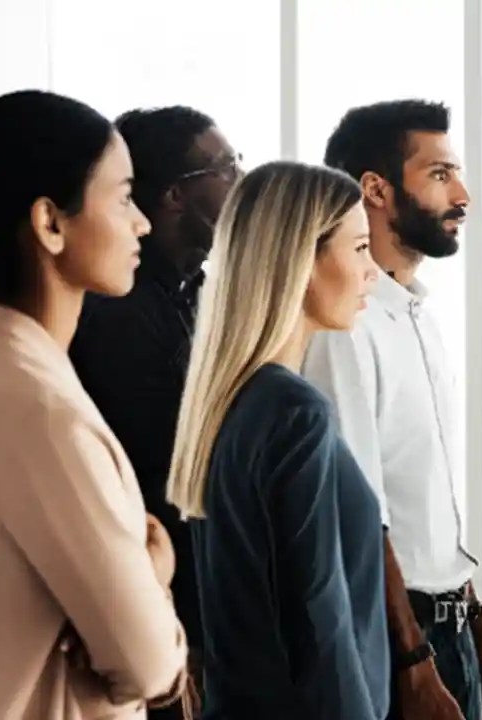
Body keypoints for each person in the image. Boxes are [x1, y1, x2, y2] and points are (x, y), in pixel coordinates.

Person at [0, 89, 190, 719]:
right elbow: (149, 663)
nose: (142, 221)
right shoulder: (43, 409)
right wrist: (154, 570)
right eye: (122, 199)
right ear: (51, 223)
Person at [302, 99, 482, 720]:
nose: (464, 195)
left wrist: (478, 631)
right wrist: (413, 665)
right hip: (402, 641)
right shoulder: (345, 327)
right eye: (441, 174)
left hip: (448, 631)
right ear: (376, 189)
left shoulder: (415, 315)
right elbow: (360, 513)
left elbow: (426, 500)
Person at [165, 160, 387, 718]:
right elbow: (321, 625)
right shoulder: (295, 413)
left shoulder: (228, 404)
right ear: (300, 260)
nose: (373, 272)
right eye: (359, 248)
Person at [69, 106, 241, 713]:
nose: (241, 180)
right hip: (155, 622)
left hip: (205, 616)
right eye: (226, 166)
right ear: (174, 194)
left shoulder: (206, 297)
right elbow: (155, 479)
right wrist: (174, 637)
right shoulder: (113, 312)